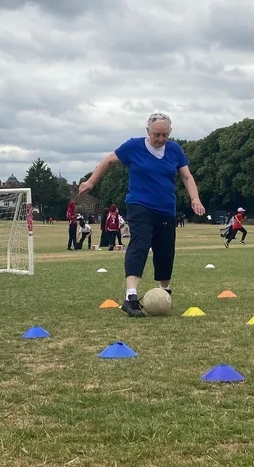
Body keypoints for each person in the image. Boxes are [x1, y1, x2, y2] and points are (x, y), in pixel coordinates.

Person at [79, 112, 204, 316]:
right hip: (140, 205)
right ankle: (131, 296)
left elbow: (187, 176)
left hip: (166, 208)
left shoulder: (174, 150)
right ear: (148, 131)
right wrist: (91, 182)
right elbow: (109, 160)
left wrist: (195, 198)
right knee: (140, 243)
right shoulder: (133, 146)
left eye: (165, 135)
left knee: (165, 250)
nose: (161, 139)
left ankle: (165, 292)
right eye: (157, 135)